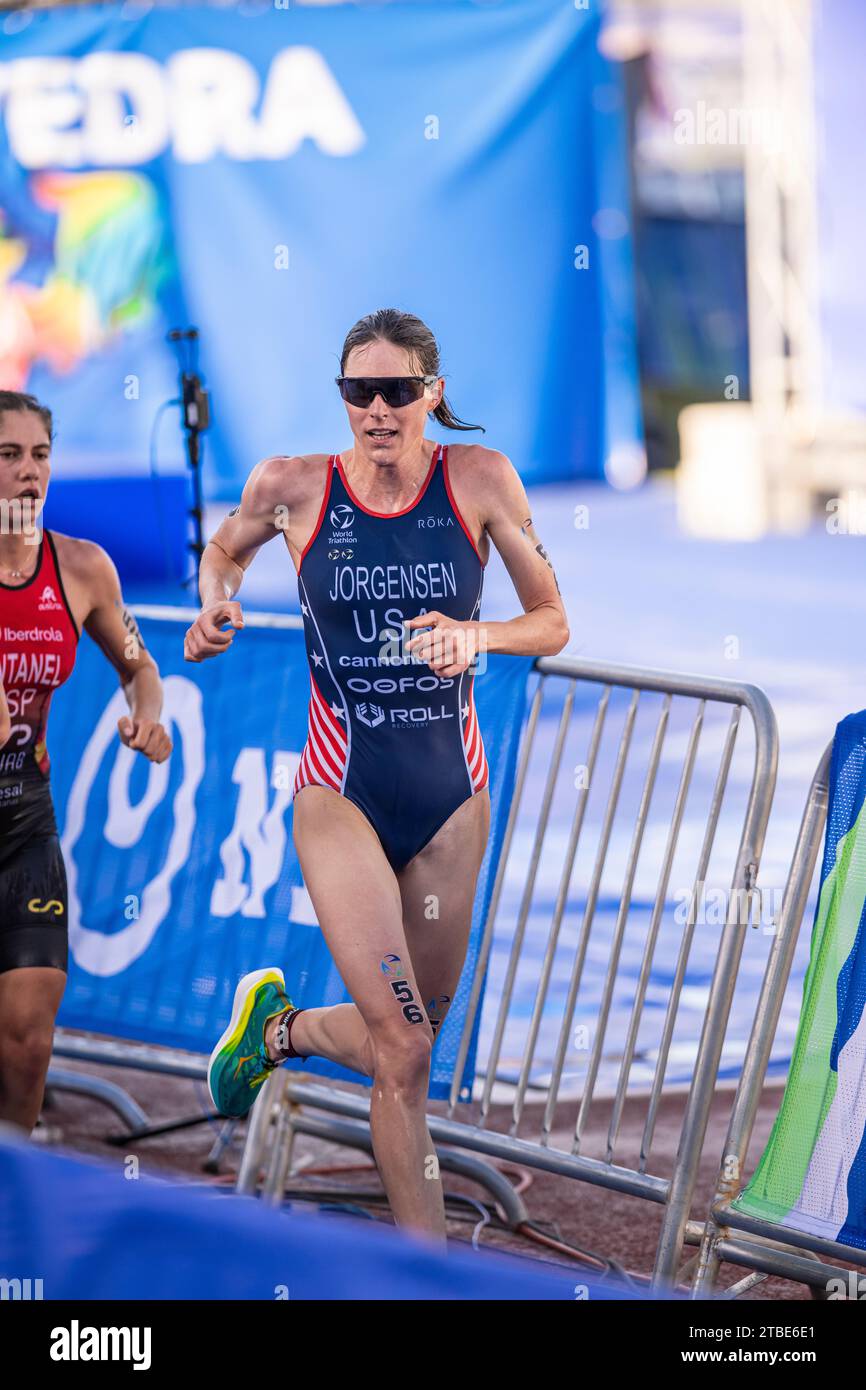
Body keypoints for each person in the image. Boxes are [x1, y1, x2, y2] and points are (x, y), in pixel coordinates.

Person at [185, 309, 568, 1241]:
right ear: (343, 397)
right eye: (361, 392)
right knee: (399, 1045)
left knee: (413, 1048)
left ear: (432, 393)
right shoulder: (293, 486)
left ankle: (278, 1031)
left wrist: (476, 635)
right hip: (339, 794)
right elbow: (224, 551)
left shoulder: (479, 480)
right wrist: (214, 610)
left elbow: (553, 618)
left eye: (399, 391)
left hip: (450, 803)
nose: (380, 409)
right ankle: (427, 1276)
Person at [0, 390, 172, 1133]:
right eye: (8, 456)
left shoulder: (82, 569)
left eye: (39, 455)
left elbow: (139, 665)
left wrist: (149, 715)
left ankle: (14, 1200)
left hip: (25, 828)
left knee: (29, 1039)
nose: (27, 473)